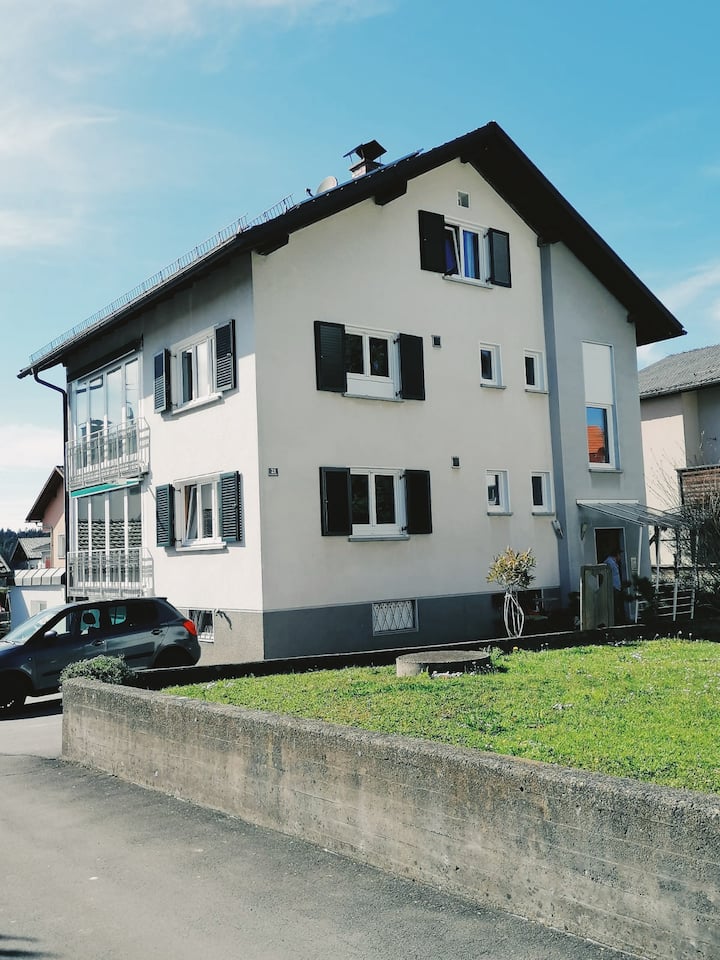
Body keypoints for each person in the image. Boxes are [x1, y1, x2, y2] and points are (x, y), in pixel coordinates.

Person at [604, 549, 625, 624]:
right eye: (620, 555)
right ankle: (615, 621)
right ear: (617, 554)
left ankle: (617, 619)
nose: (620, 557)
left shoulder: (614, 562)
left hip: (616, 587)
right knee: (614, 604)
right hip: (613, 587)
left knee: (617, 604)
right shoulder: (609, 562)